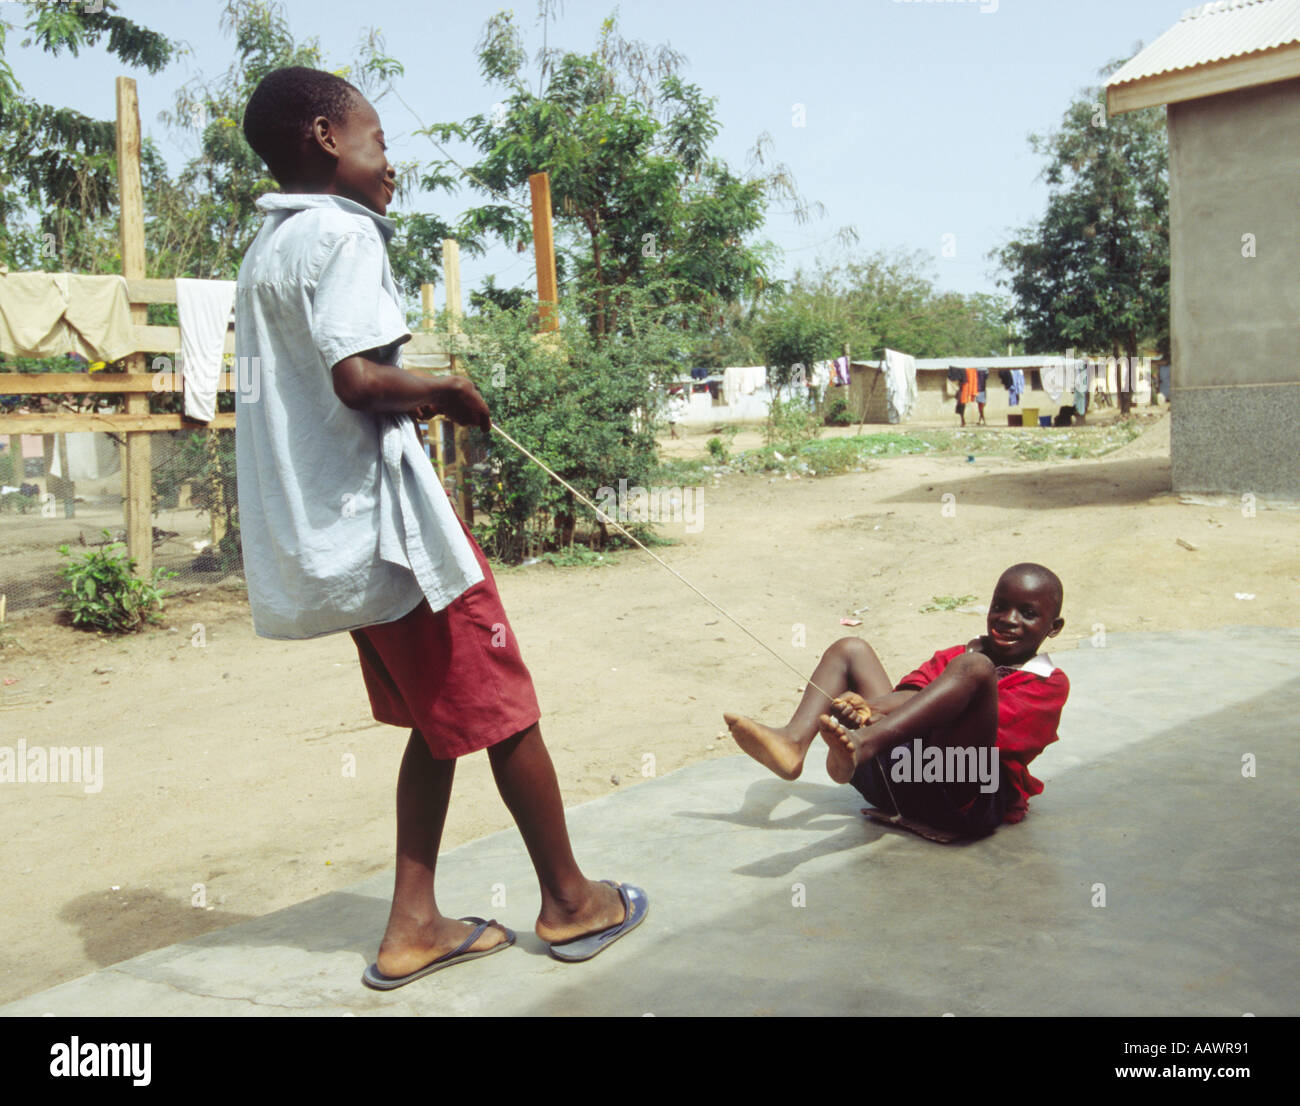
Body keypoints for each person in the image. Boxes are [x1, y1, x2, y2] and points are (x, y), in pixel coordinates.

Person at [236, 67, 646, 989]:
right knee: (505, 708)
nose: (393, 163)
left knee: (439, 721)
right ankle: (573, 903)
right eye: (378, 141)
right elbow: (359, 380)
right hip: (395, 540)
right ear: (325, 138)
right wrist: (450, 392)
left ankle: (414, 923)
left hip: (341, 541)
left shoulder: (267, 248)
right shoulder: (341, 234)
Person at [724, 563, 1068, 838]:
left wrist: (875, 725)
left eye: (1027, 613)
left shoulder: (1047, 684)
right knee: (851, 649)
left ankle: (862, 746)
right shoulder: (959, 654)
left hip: (960, 797)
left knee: (975, 668)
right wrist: (871, 708)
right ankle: (793, 743)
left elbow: (985, 743)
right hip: (898, 781)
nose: (1008, 619)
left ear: (1054, 627)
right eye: (1000, 606)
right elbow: (914, 696)